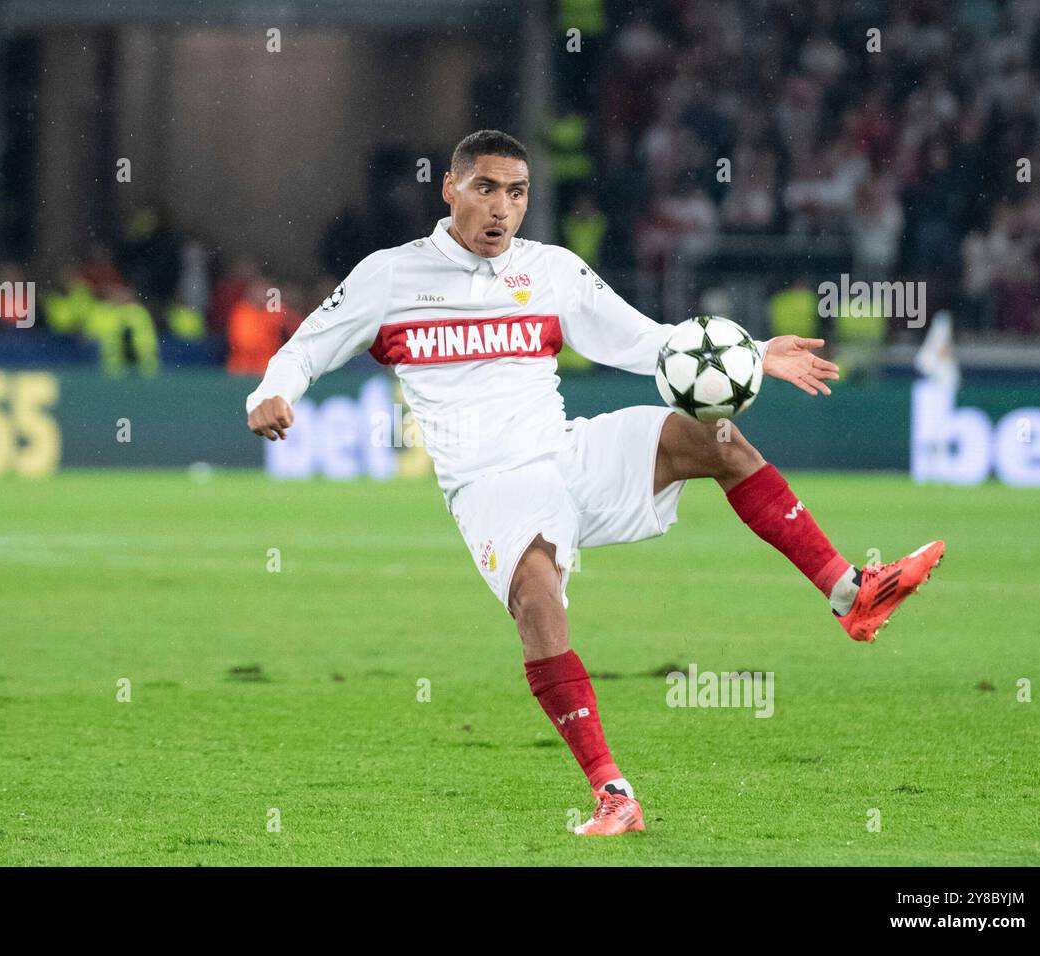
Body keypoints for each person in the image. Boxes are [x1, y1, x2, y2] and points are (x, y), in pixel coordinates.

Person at [244, 130, 945, 836]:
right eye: (485, 188)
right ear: (450, 189)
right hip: (490, 483)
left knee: (714, 436)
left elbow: (644, 340)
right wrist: (270, 393)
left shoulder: (549, 270)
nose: (501, 209)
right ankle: (614, 794)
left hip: (568, 452)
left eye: (516, 193)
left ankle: (852, 594)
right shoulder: (392, 277)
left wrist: (756, 352)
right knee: (539, 602)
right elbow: (306, 347)